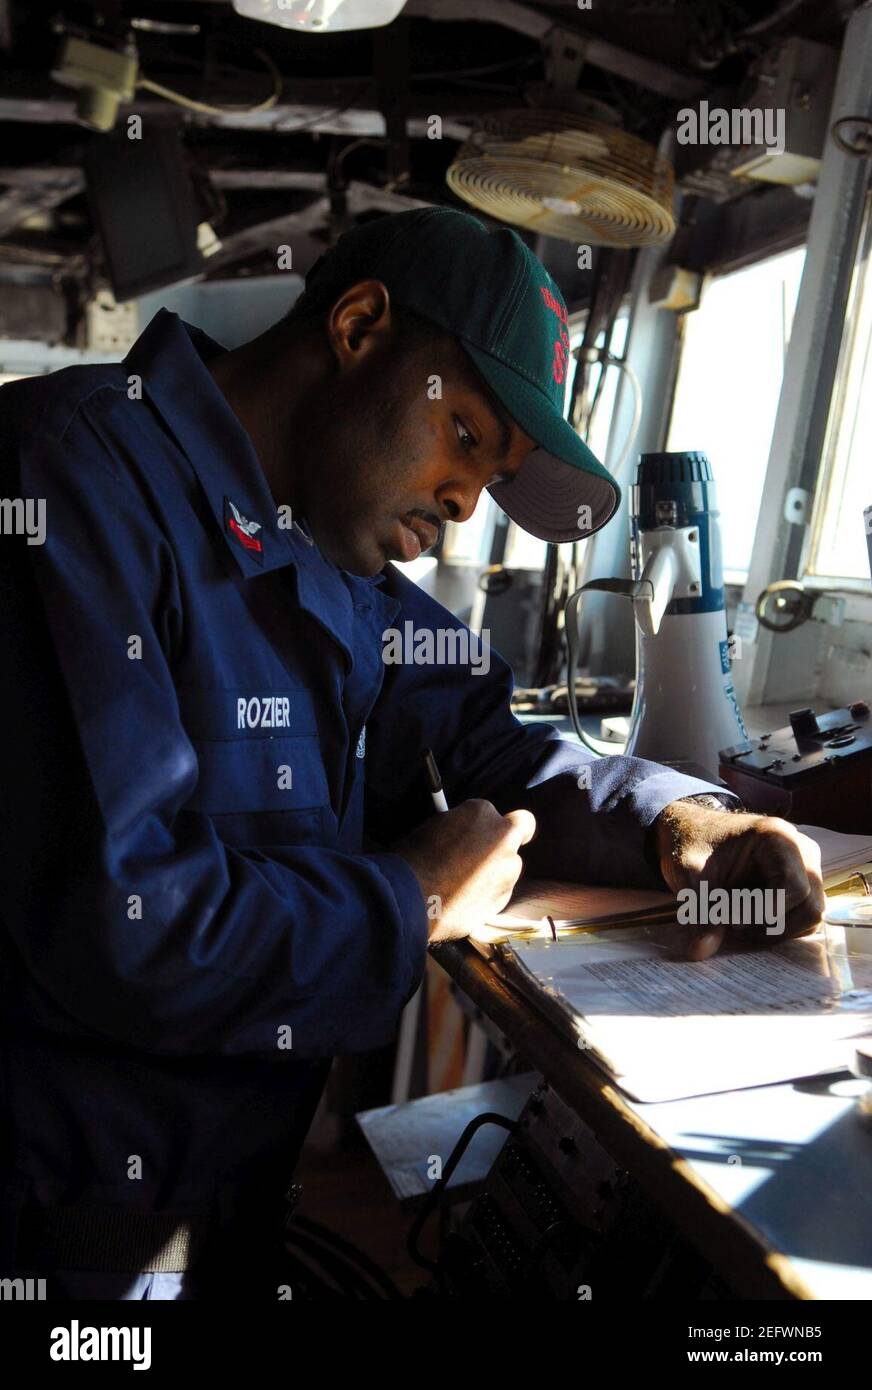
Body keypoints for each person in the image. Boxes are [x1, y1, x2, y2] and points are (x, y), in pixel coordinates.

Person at [0, 207, 824, 1300]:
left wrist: (688, 824)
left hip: (230, 1187)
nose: (463, 501)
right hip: (62, 1219)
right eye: (466, 436)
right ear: (356, 326)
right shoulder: (69, 476)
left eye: (490, 476)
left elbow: (497, 751)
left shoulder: (339, 569)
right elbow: (125, 922)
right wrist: (412, 900)